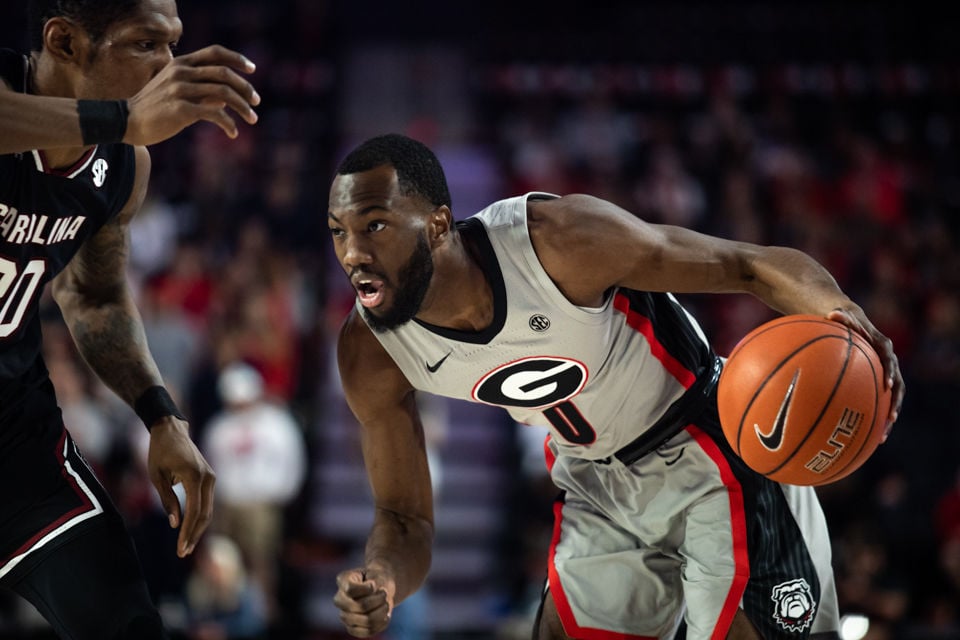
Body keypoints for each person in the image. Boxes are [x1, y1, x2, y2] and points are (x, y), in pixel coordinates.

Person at [327, 134, 905, 639]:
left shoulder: (556, 243)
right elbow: (405, 520)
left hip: (712, 448)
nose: (353, 253)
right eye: (339, 232)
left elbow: (747, 265)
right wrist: (383, 575)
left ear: (437, 224)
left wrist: (842, 313)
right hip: (594, 481)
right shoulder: (370, 350)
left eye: (374, 225)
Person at [0, 0, 260, 638]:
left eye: (174, 45)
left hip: (11, 430)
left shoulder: (122, 166)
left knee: (123, 621)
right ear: (64, 42)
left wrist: (161, 417)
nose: (169, 68)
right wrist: (125, 117)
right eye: (145, 44)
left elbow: (93, 294)